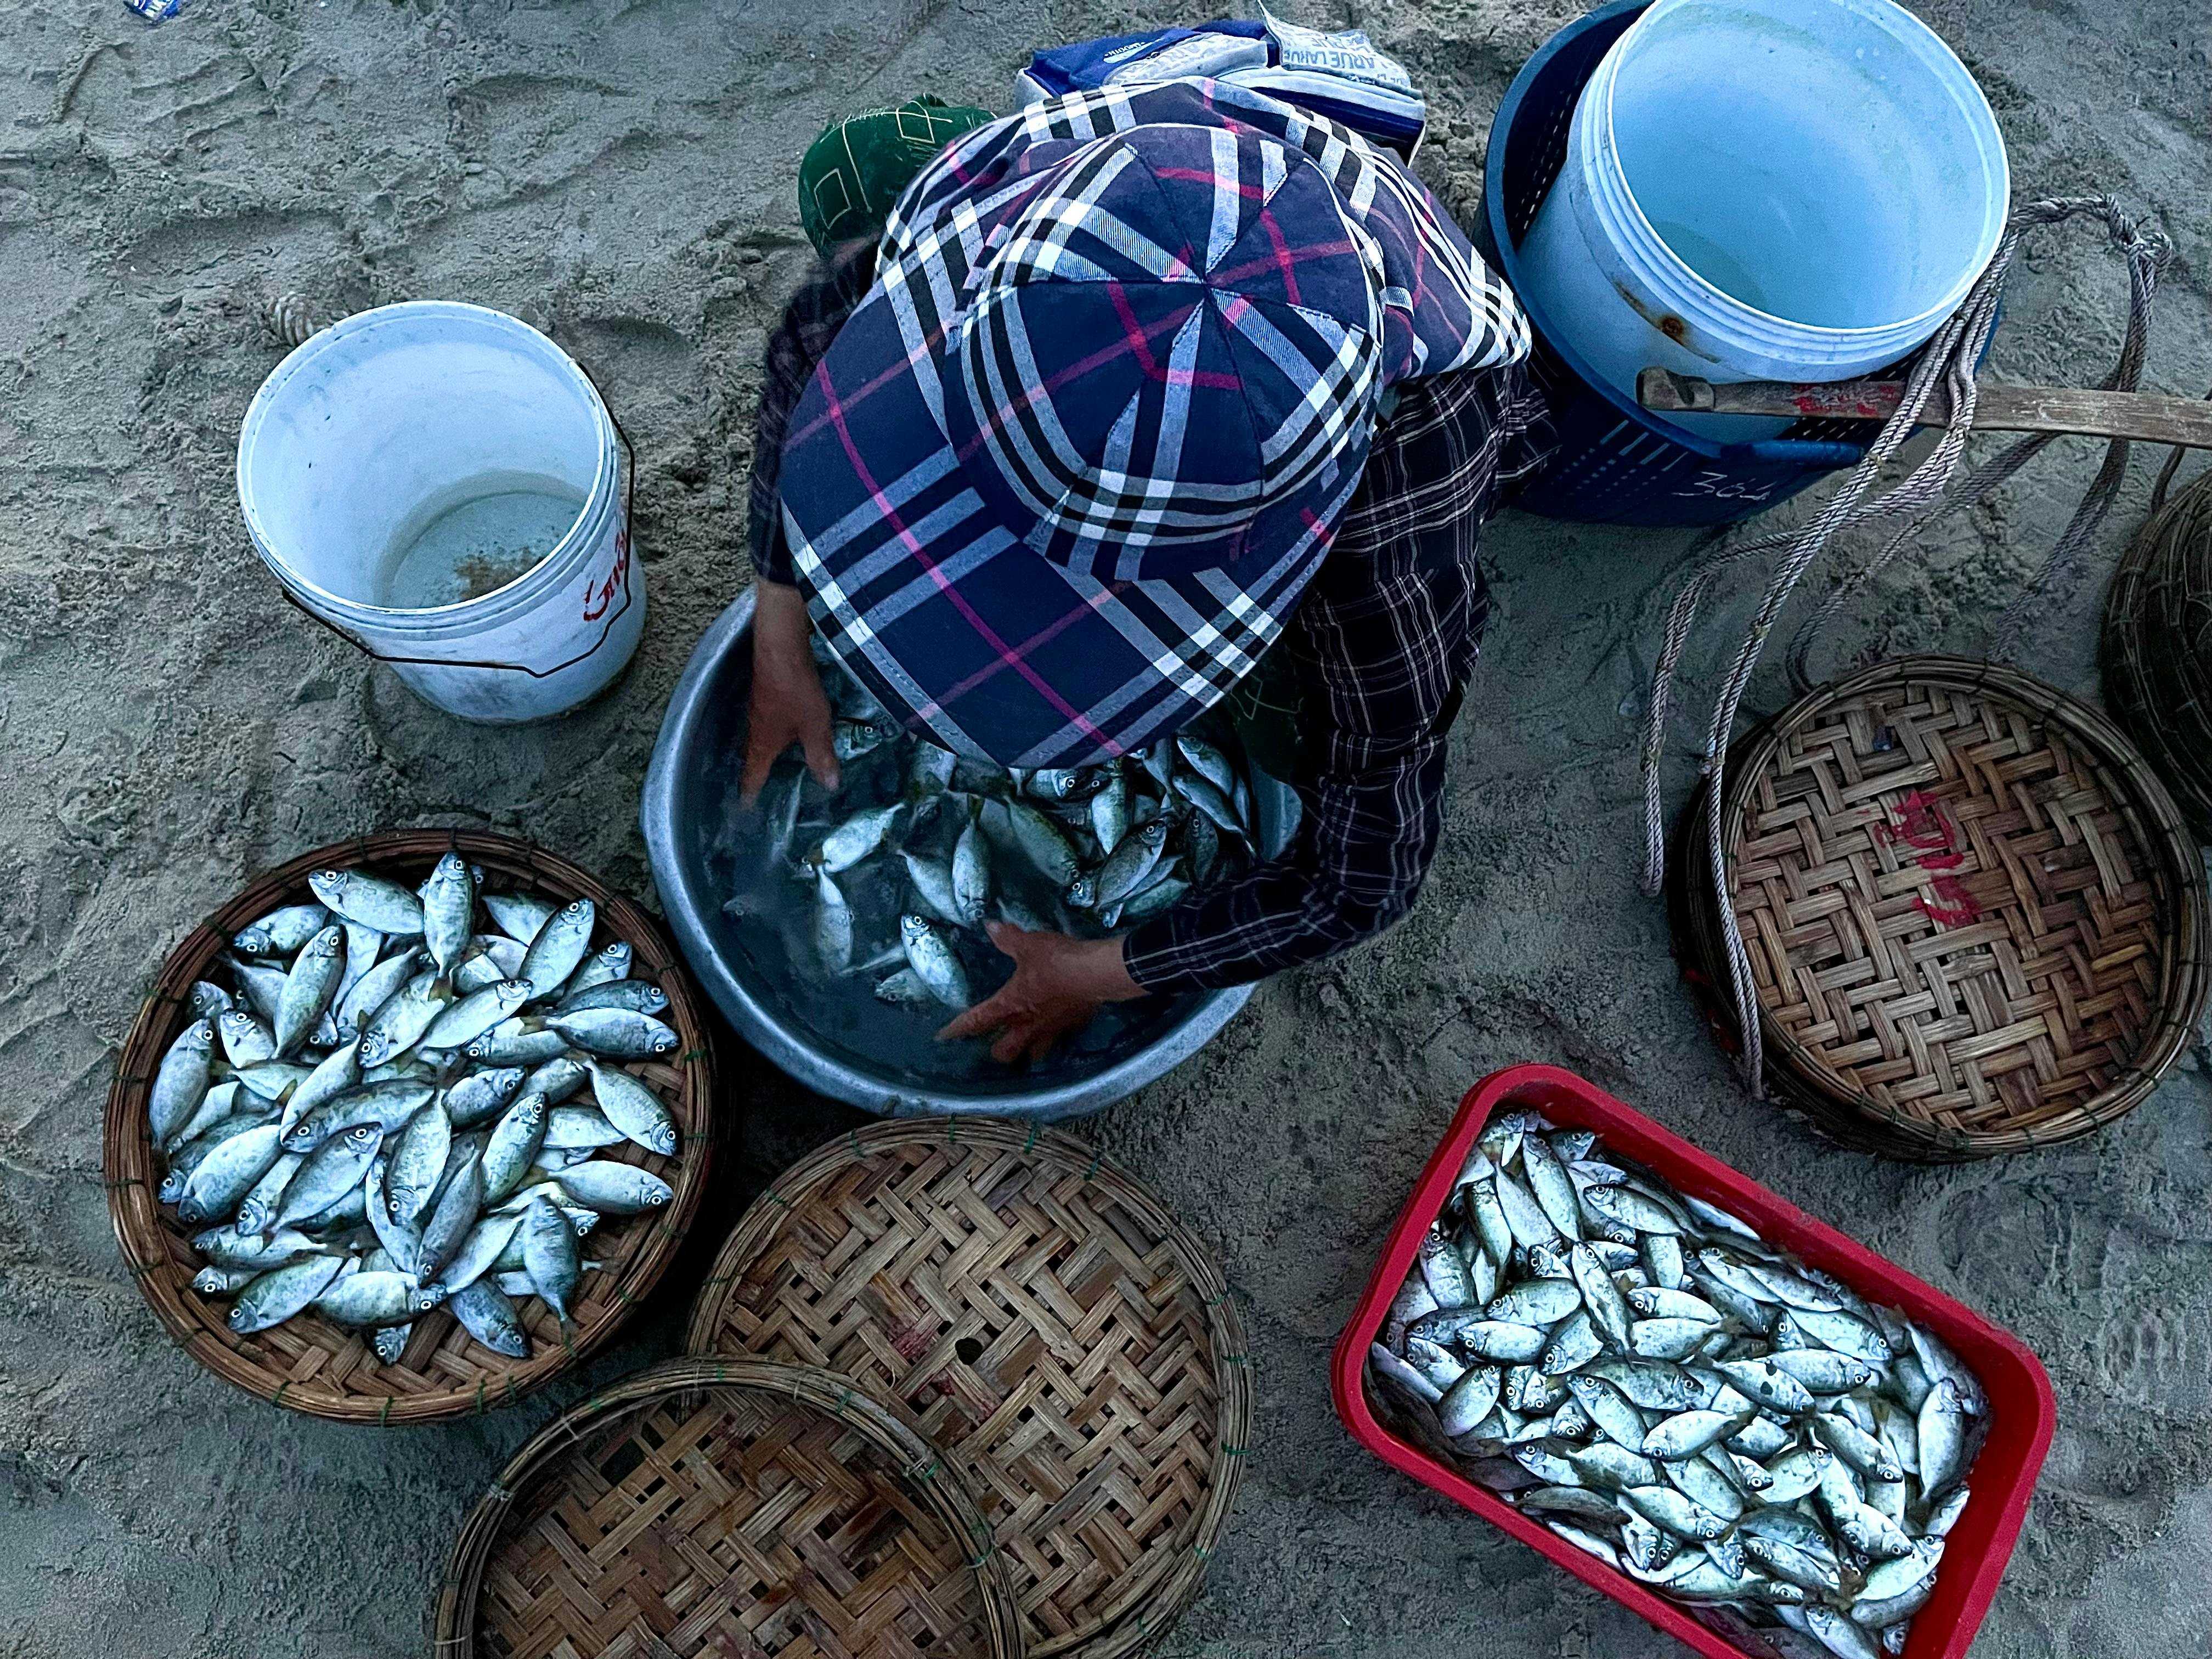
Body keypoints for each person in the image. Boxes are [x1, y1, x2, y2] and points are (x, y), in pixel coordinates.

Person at [744, 77, 1551, 1063]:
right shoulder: (1028, 226)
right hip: (1198, 182)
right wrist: (777, 622)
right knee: (852, 164)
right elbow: (809, 351)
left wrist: (1096, 970)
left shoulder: (1395, 520)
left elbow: (1366, 875)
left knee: (1303, 730)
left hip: (1397, 381)